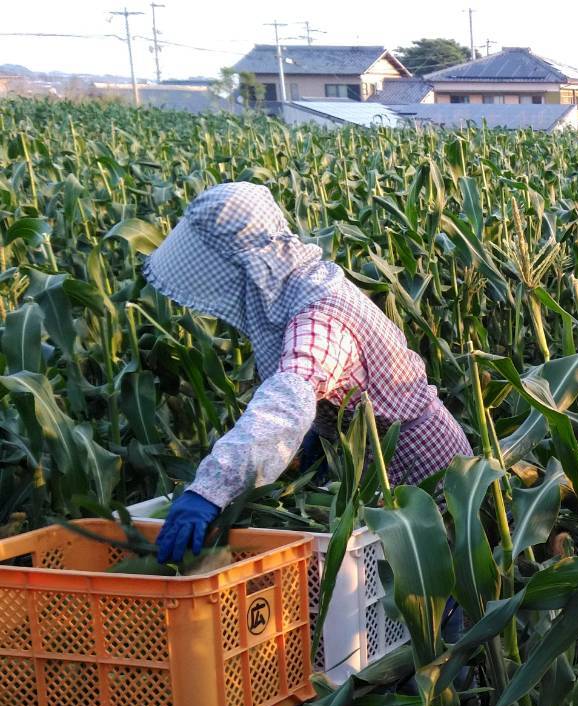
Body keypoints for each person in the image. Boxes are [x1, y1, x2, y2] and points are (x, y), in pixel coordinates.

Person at [144, 182, 472, 563]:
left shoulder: (319, 318)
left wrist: (211, 489)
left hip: (415, 473)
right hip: (371, 462)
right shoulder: (305, 284)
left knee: (433, 595)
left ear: (247, 265)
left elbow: (288, 401)